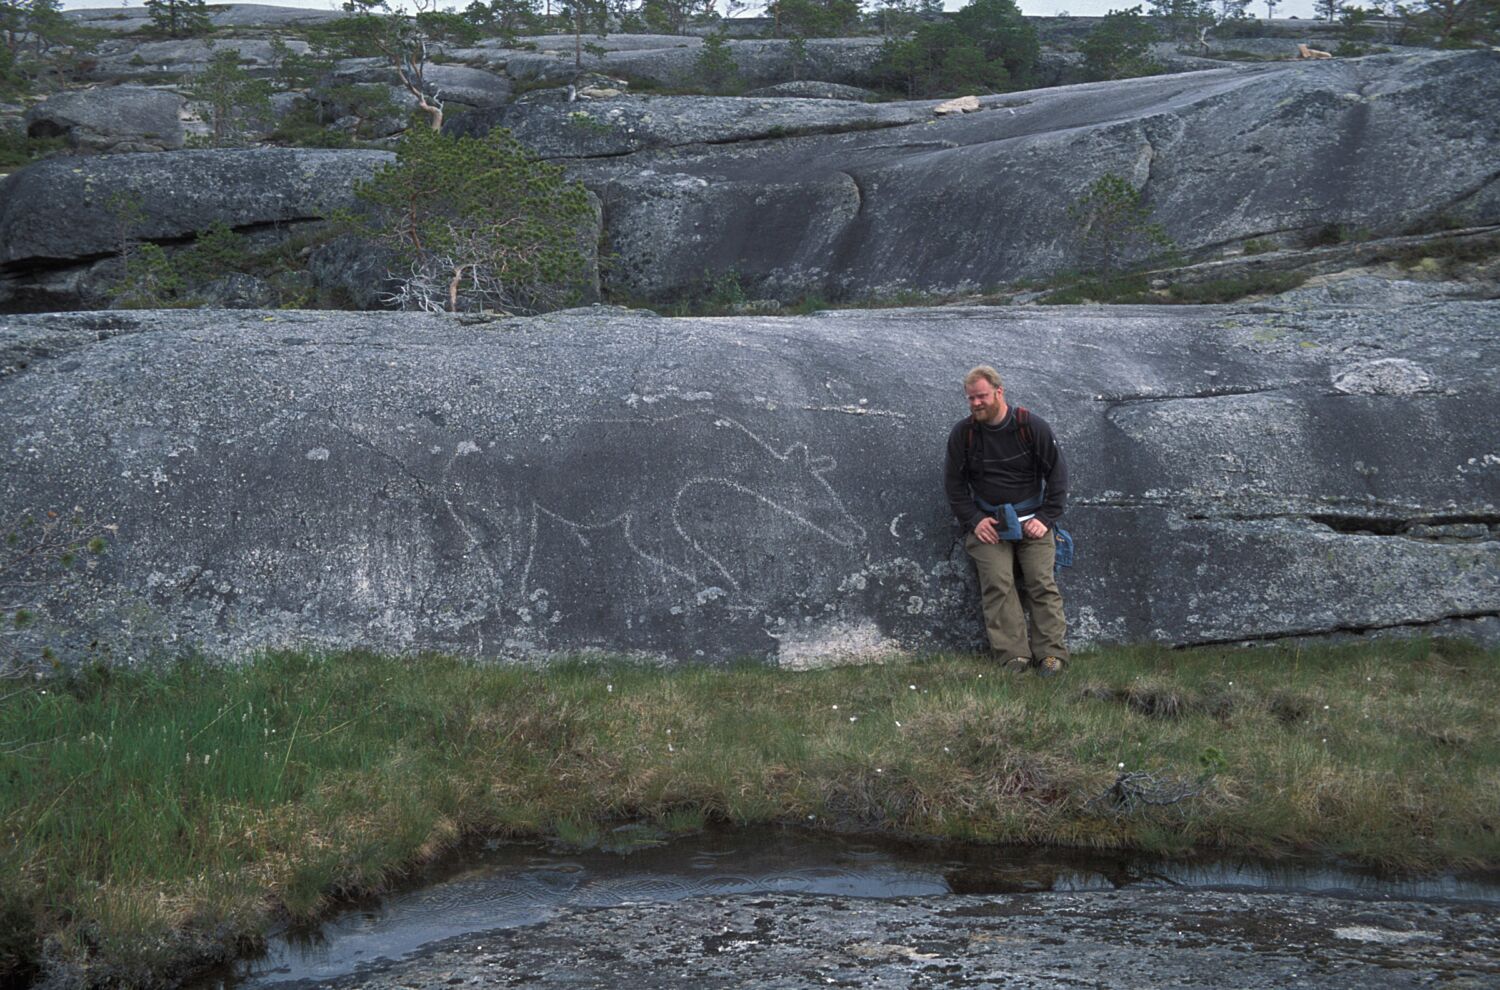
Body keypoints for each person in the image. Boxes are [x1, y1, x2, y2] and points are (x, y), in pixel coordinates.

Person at [943, 365, 1070, 676]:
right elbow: (954, 486)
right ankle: (1014, 658)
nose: (976, 404)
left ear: (999, 392)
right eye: (970, 398)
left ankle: (1051, 657)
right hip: (989, 523)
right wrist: (975, 520)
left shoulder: (1030, 426)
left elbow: (1058, 474)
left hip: (1033, 520)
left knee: (1041, 583)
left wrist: (1046, 517)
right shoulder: (964, 434)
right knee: (998, 583)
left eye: (981, 396)